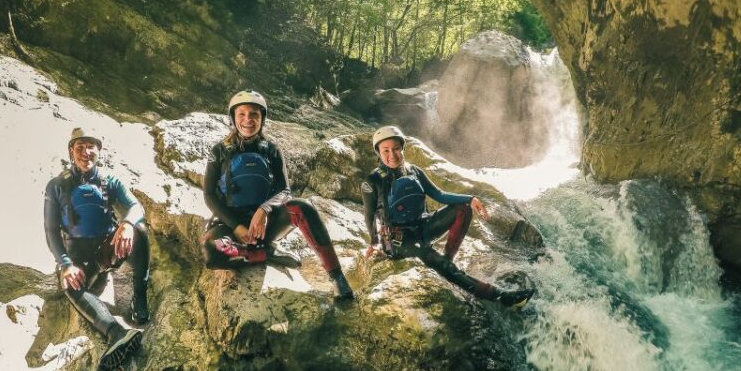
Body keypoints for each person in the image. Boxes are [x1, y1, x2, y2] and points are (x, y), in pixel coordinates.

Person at [201, 90, 354, 300]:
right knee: (213, 252)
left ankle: (337, 278)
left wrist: (264, 210)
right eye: (242, 114)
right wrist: (236, 226)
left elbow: (284, 191)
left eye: (254, 114)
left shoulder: (271, 150)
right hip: (230, 225)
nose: (248, 120)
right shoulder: (219, 151)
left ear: (262, 118)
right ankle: (266, 254)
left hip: (265, 226)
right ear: (233, 118)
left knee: (303, 207)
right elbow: (209, 195)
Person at [361, 126, 534, 307]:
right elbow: (369, 214)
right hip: (397, 240)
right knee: (439, 263)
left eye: (396, 148)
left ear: (402, 147)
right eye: (385, 150)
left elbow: (439, 195)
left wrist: (470, 199)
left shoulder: (415, 171)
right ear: (379, 153)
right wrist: (374, 244)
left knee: (462, 209)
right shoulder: (372, 181)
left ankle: (447, 258)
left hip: (423, 227)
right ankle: (501, 297)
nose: (392, 155)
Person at [44, 128, 150, 371]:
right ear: (71, 151)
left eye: (91, 146)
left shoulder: (109, 180)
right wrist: (65, 264)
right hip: (79, 258)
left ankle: (139, 301)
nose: (86, 152)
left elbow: (136, 206)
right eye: (79, 147)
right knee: (69, 284)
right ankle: (116, 333)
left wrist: (127, 224)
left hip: (107, 250)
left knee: (140, 231)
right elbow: (50, 231)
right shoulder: (57, 185)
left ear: (99, 151)